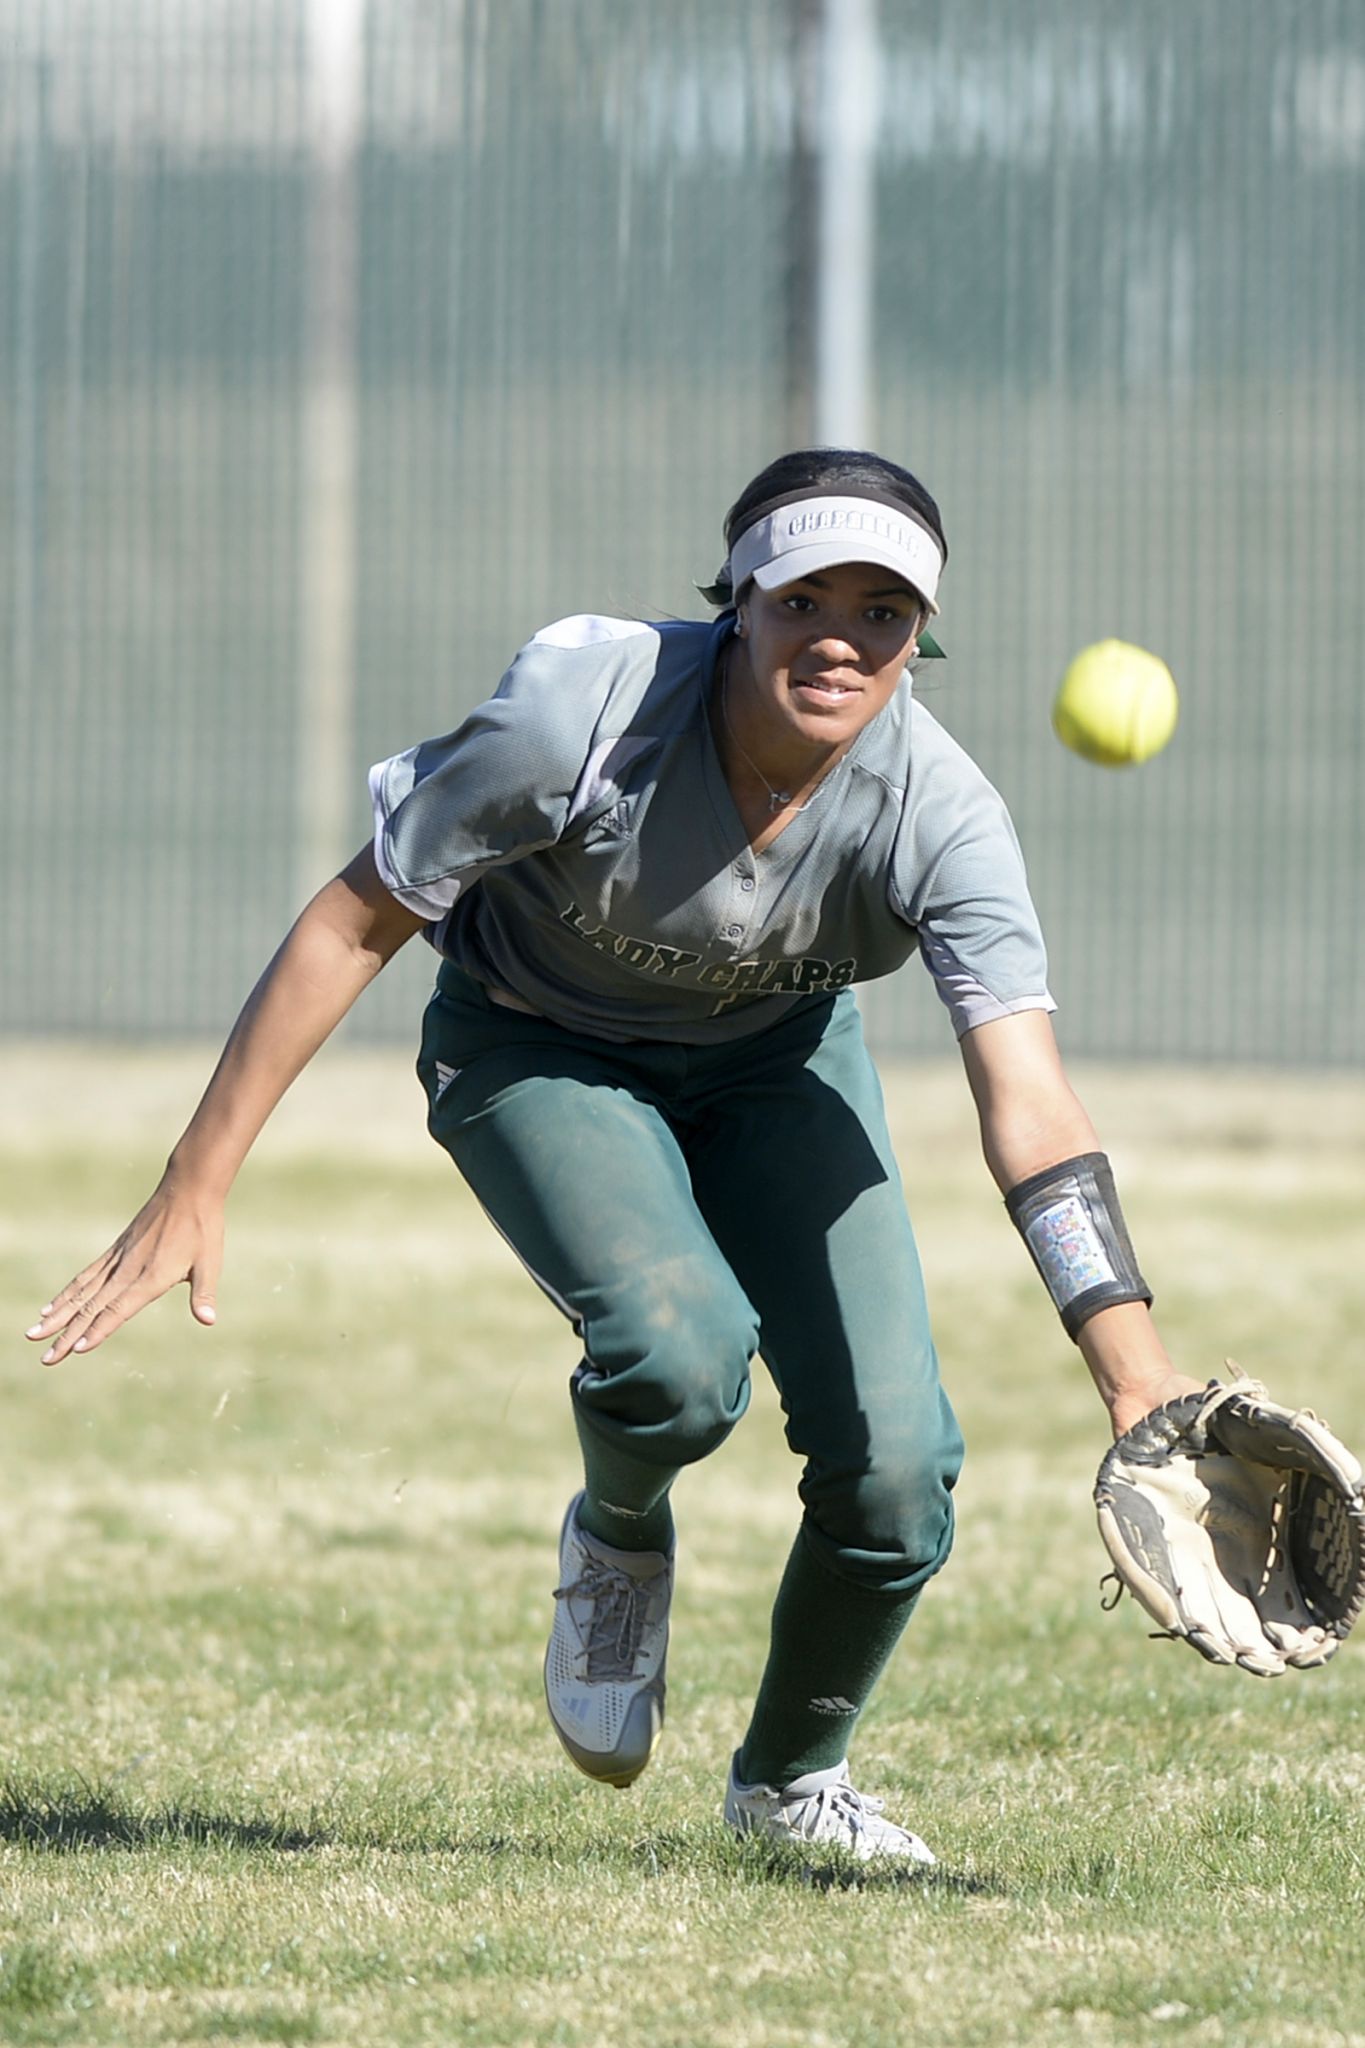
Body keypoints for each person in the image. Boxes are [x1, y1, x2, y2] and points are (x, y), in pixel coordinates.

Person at [27, 447, 1201, 1864]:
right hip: (534, 1044)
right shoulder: (583, 711)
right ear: (736, 604)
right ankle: (619, 1533)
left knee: (899, 1474)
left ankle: (788, 1784)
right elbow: (356, 918)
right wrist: (196, 1178)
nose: (839, 634)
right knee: (677, 1356)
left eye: (882, 610)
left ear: (918, 639)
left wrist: (1134, 1381)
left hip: (774, 1063)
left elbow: (1032, 1105)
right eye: (801, 596)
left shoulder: (938, 814)